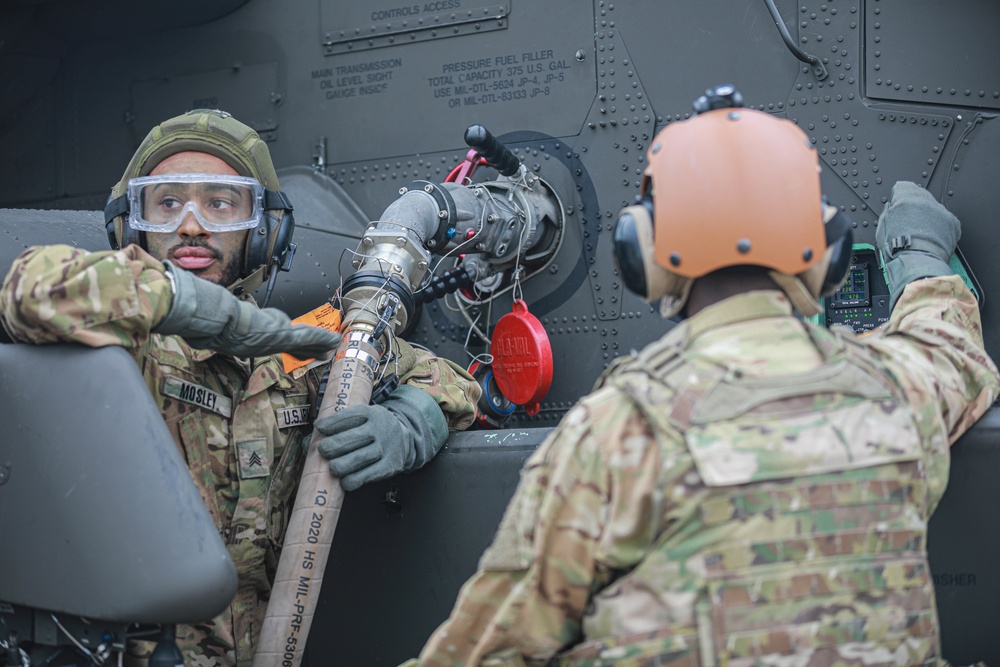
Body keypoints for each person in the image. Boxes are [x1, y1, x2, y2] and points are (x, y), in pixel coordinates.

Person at [403, 87, 1000, 666]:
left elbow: (488, 647)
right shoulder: (896, 389)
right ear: (825, 247)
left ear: (647, 253)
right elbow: (948, 349)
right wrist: (918, 254)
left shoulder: (617, 431)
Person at [0, 109, 480, 667]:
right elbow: (26, 289)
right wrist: (185, 304)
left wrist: (411, 420)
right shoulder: (120, 342)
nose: (191, 225)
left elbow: (448, 381)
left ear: (263, 231)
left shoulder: (296, 349)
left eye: (220, 204)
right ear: (132, 226)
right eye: (167, 203)